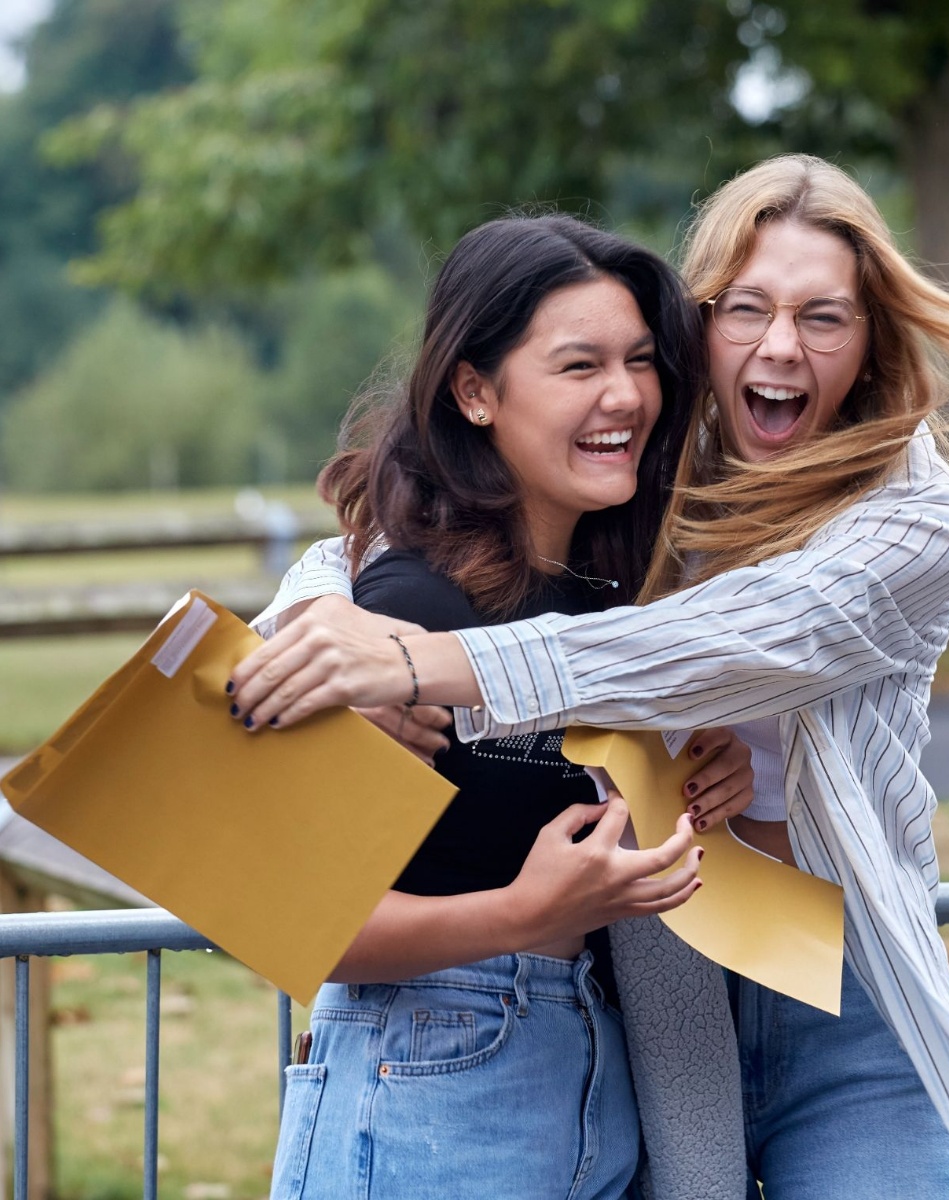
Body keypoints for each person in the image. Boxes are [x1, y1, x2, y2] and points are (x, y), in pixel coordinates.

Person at [233, 154, 949, 1199]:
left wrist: (424, 663)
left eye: (825, 318)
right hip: (651, 974)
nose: (780, 347)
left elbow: (712, 646)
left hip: (838, 988)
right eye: (744, 308)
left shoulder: (912, 512)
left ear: (873, 335)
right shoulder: (649, 466)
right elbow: (401, 538)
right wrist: (312, 625)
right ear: (699, 323)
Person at [260, 213, 757, 1200]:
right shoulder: (408, 618)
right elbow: (311, 922)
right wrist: (524, 911)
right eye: (579, 366)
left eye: (642, 361)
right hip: (433, 1077)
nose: (625, 395)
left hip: (581, 1080)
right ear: (475, 391)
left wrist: (696, 783)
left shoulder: (593, 603)